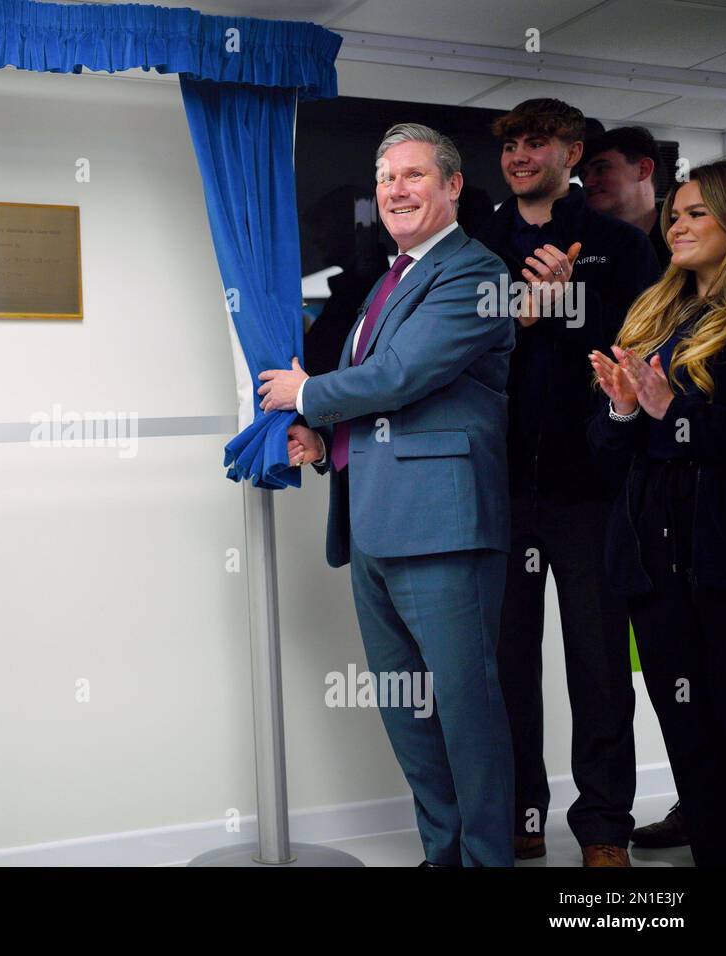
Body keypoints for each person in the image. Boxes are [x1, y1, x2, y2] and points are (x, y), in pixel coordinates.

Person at [258, 123, 515, 867]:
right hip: (372, 524)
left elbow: (403, 375)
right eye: (386, 178)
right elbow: (384, 407)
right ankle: (443, 855)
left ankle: (487, 860)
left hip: (443, 527)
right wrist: (322, 444)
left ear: (453, 186)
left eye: (413, 175)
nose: (396, 190)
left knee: (467, 711)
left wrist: (307, 393)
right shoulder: (388, 280)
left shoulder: (476, 274)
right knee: (410, 714)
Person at [473, 99, 660, 867]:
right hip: (500, 488)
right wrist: (519, 314)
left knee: (599, 664)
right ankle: (521, 811)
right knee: (508, 663)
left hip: (594, 490)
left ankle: (605, 828)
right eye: (512, 144)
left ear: (572, 152)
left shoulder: (619, 245)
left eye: (537, 142)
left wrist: (565, 312)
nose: (521, 155)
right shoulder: (478, 243)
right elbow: (455, 353)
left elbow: (643, 354)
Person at [588, 160, 726, 867]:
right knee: (690, 737)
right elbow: (610, 450)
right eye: (674, 213)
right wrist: (620, 410)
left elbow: (706, 431)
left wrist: (673, 417)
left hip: (724, 563)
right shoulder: (655, 312)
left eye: (697, 213)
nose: (677, 225)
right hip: (656, 567)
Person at [583, 126, 671, 271]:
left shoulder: (684, 240)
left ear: (643, 169)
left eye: (601, 169)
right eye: (583, 176)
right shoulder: (583, 246)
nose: (588, 183)